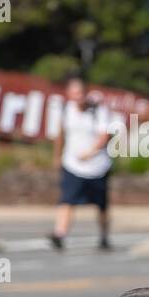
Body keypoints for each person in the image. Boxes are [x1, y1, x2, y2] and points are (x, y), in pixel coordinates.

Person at [50, 76, 114, 251]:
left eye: (80, 93)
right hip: (72, 164)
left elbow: (104, 136)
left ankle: (104, 237)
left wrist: (90, 153)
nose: (78, 96)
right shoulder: (66, 110)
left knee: (101, 205)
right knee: (67, 200)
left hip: (98, 166)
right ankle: (59, 233)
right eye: (74, 93)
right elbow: (60, 134)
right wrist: (57, 156)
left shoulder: (98, 111)